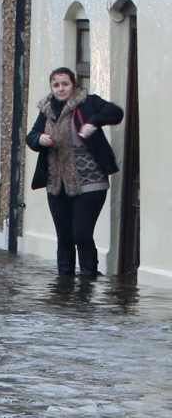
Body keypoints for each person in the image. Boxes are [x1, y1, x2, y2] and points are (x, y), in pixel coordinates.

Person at [26, 66, 124, 278]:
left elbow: (116, 113)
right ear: (52, 87)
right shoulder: (47, 110)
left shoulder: (89, 103)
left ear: (74, 85)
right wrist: (39, 139)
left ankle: (88, 279)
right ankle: (65, 282)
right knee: (64, 236)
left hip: (90, 180)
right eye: (56, 85)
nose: (61, 89)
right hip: (57, 181)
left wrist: (93, 122)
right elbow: (32, 136)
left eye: (65, 84)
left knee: (81, 232)